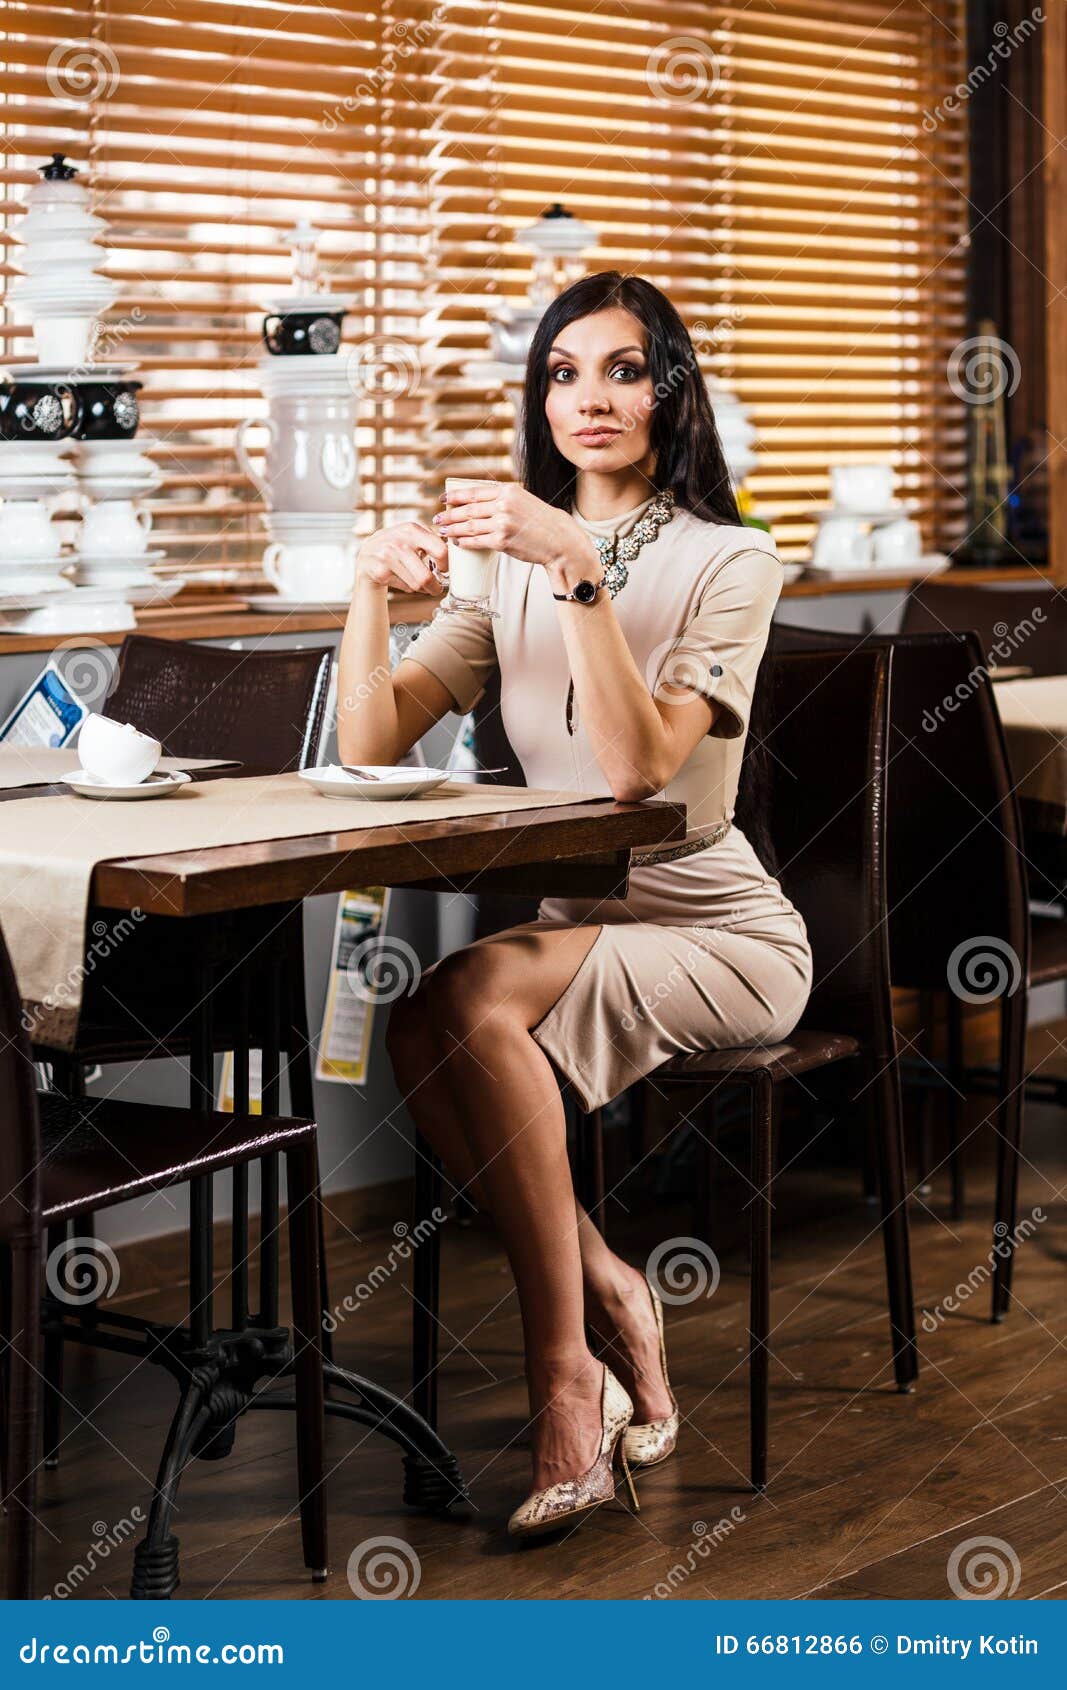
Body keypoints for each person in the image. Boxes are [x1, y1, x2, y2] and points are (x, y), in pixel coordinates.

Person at [337, 271, 813, 1541]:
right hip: (582, 923)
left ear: (669, 389)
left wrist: (579, 567)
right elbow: (374, 738)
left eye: (621, 368)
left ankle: (565, 1378)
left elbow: (634, 769)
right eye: (561, 371)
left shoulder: (733, 559)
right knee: (422, 1024)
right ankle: (612, 1287)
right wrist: (370, 587)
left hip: (721, 929)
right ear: (537, 397)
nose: (588, 396)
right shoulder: (501, 570)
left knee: (469, 995)